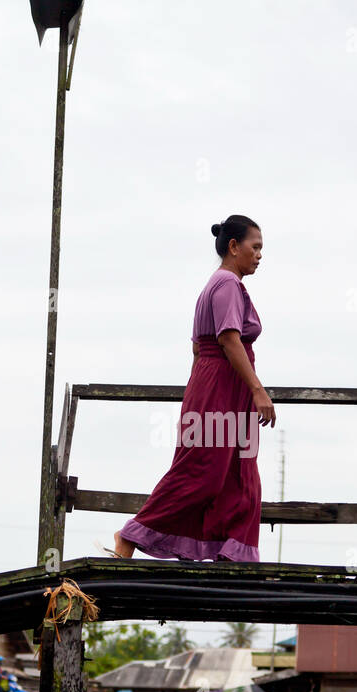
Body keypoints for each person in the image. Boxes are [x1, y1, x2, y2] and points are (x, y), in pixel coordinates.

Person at [109, 215, 275, 562]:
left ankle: (233, 553)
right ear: (234, 247)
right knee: (203, 471)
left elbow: (197, 349)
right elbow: (228, 340)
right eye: (254, 247)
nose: (259, 255)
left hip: (221, 385)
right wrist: (258, 390)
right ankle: (131, 534)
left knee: (240, 472)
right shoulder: (227, 284)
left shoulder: (217, 286)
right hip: (221, 385)